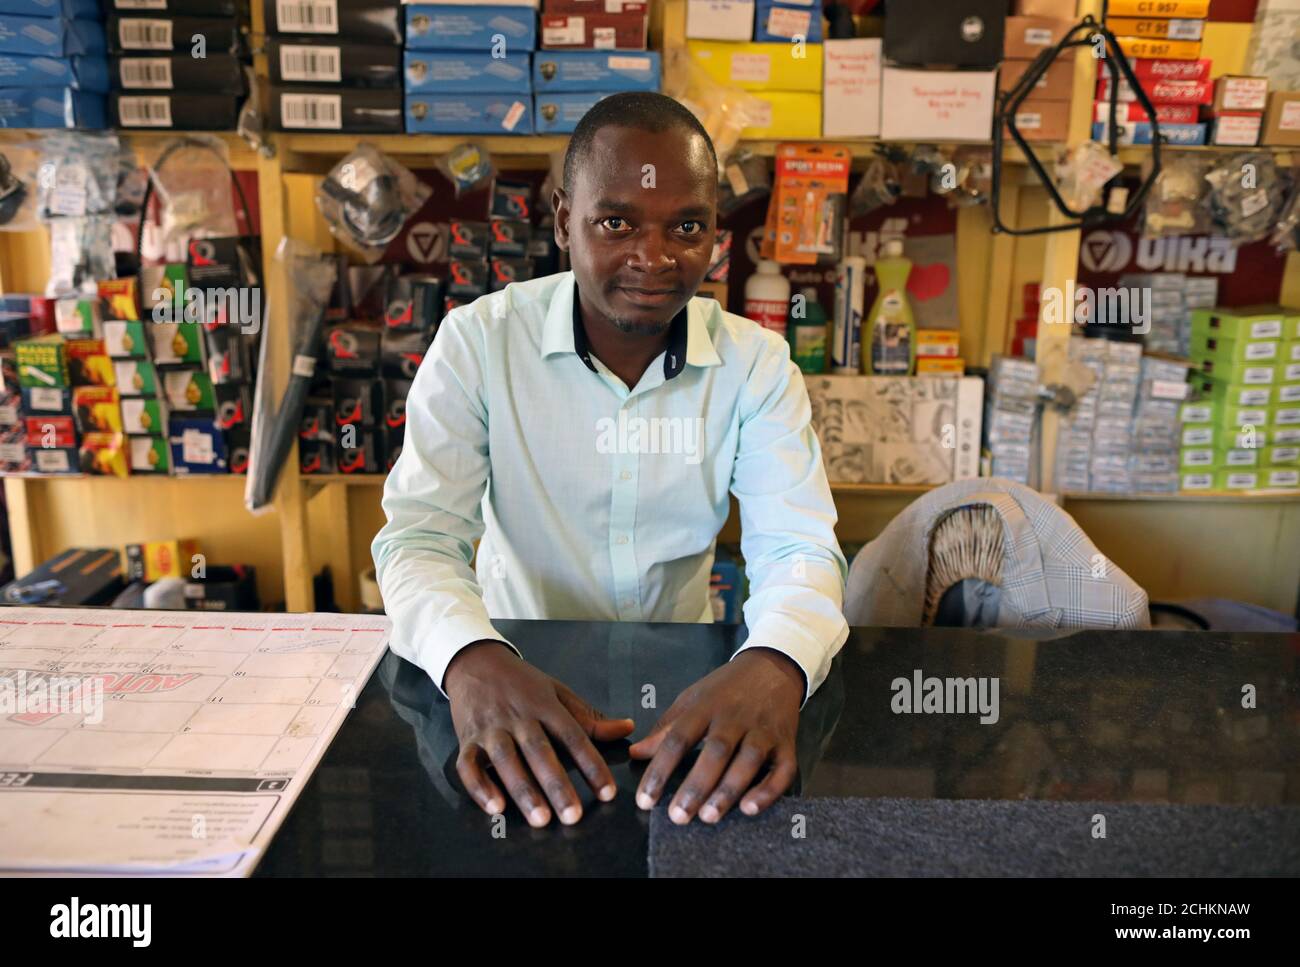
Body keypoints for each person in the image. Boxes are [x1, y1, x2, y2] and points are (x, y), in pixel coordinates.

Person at [373, 91, 848, 828]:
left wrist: (775, 662)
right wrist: (470, 658)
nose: (653, 257)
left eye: (686, 226)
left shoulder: (756, 365)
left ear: (716, 231)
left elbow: (798, 546)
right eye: (616, 222)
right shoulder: (478, 345)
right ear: (564, 219)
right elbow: (419, 538)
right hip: (510, 677)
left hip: (695, 694)